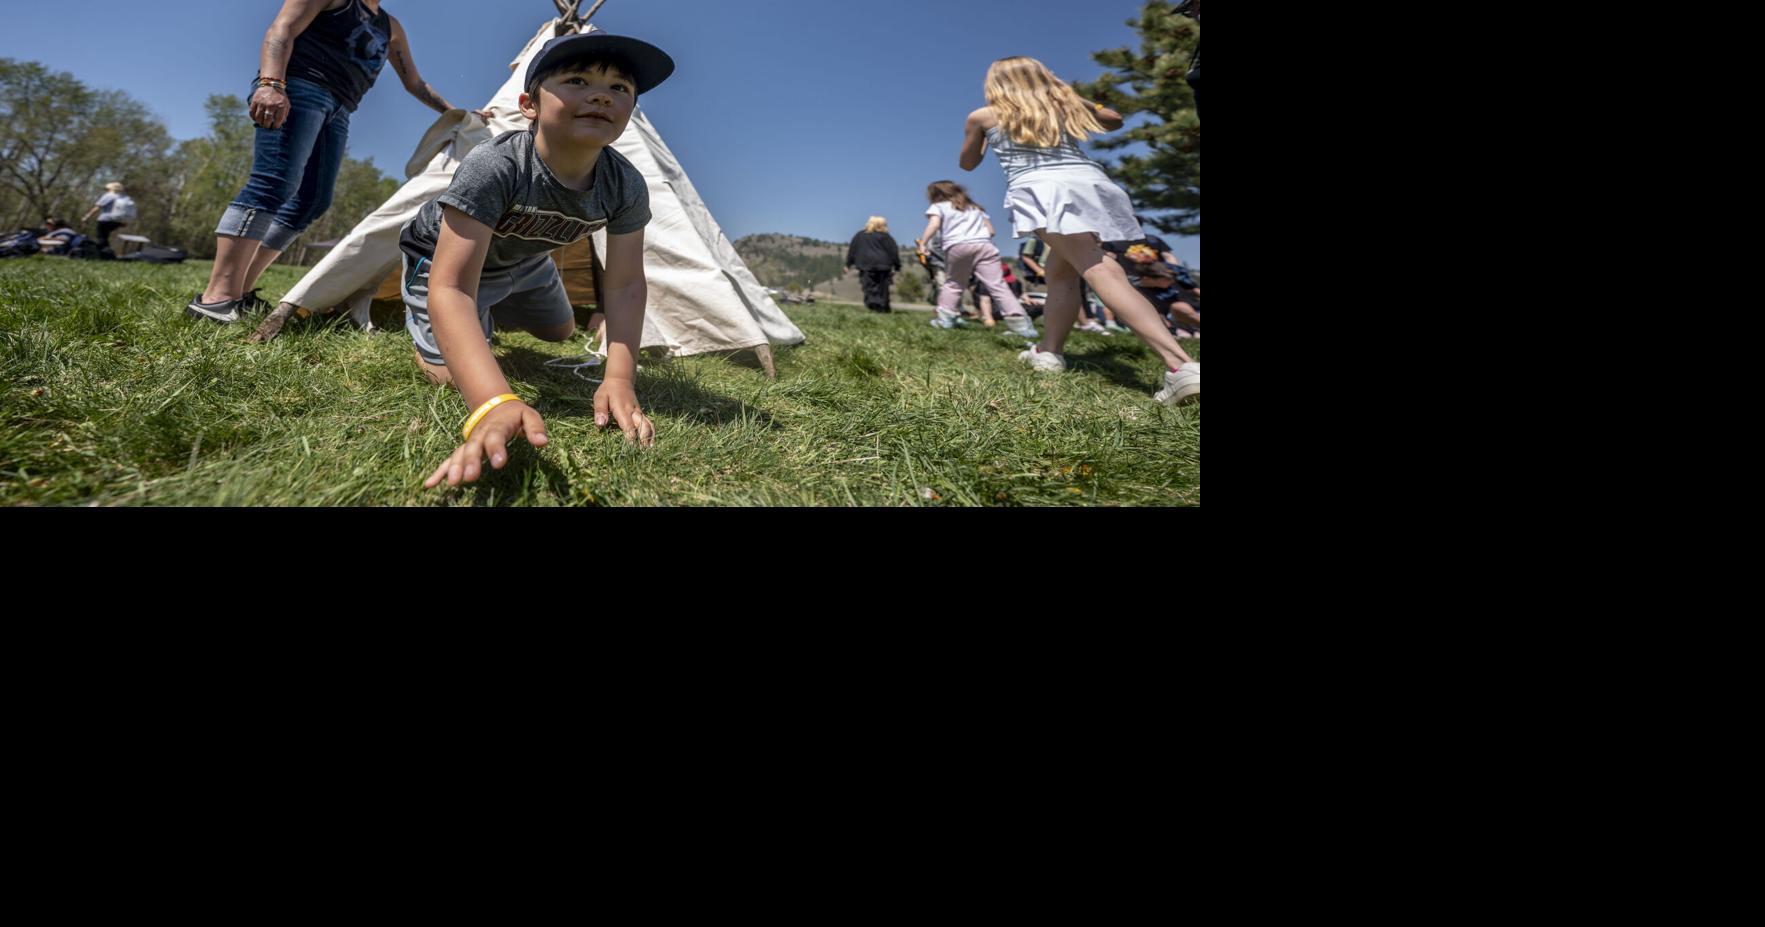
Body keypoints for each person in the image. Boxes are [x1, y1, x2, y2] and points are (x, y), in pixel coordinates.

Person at [406, 30, 674, 489]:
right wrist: (494, 402)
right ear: (529, 105)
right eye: (576, 80)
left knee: (560, 331)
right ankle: (451, 324)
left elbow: (626, 284)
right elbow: (450, 288)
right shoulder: (497, 166)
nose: (600, 96)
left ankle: (491, 309)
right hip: (444, 262)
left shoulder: (626, 185)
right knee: (451, 376)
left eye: (619, 89)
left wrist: (620, 378)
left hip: (528, 263)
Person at [187, 0, 486, 324]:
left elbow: (414, 82)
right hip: (299, 87)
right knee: (272, 184)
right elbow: (281, 29)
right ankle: (216, 299)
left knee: (312, 201)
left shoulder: (391, 27)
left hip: (341, 107)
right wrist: (271, 84)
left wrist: (457, 113)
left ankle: (240, 290)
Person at [958, 56, 1199, 405]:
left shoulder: (983, 116)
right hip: (1091, 184)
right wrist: (1070, 96)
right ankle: (1049, 351)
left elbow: (967, 163)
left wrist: (982, 136)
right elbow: (1114, 120)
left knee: (1096, 265)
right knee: (1062, 270)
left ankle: (1181, 366)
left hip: (1043, 190)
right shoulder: (1062, 105)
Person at [916, 180, 1038, 338]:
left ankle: (945, 319)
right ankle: (1021, 326)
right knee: (998, 285)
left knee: (954, 283)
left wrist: (923, 243)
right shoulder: (975, 208)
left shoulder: (939, 207)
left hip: (957, 246)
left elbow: (933, 225)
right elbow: (991, 231)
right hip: (984, 246)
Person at [845, 216, 902, 312]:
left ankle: (874, 303)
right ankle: (882, 307)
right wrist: (897, 266)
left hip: (866, 265)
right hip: (884, 265)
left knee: (869, 286)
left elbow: (853, 250)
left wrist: (848, 264)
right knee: (883, 288)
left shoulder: (860, 235)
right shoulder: (886, 237)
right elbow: (893, 252)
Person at [82, 182, 137, 250]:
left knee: (101, 236)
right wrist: (124, 221)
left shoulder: (109, 196)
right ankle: (106, 252)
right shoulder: (125, 197)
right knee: (105, 236)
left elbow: (98, 207)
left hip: (105, 219)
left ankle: (104, 253)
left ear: (111, 189)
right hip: (117, 221)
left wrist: (87, 216)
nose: (106, 190)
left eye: (107, 188)